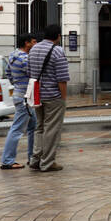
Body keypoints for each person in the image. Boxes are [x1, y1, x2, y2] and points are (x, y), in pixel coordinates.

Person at [27, 23, 69, 172]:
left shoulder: (33, 49)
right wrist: (63, 98)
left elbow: (30, 73)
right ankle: (47, 162)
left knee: (39, 127)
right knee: (52, 129)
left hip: (38, 95)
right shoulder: (58, 51)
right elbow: (62, 79)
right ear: (58, 36)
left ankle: (36, 159)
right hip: (53, 96)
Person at [0, 33, 37, 170]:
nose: (35, 44)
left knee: (34, 127)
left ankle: (33, 157)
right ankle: (7, 161)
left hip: (19, 95)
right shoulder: (25, 58)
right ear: (27, 43)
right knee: (17, 129)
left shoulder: (13, 56)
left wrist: (18, 85)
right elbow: (34, 74)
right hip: (25, 98)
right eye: (34, 42)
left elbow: (8, 74)